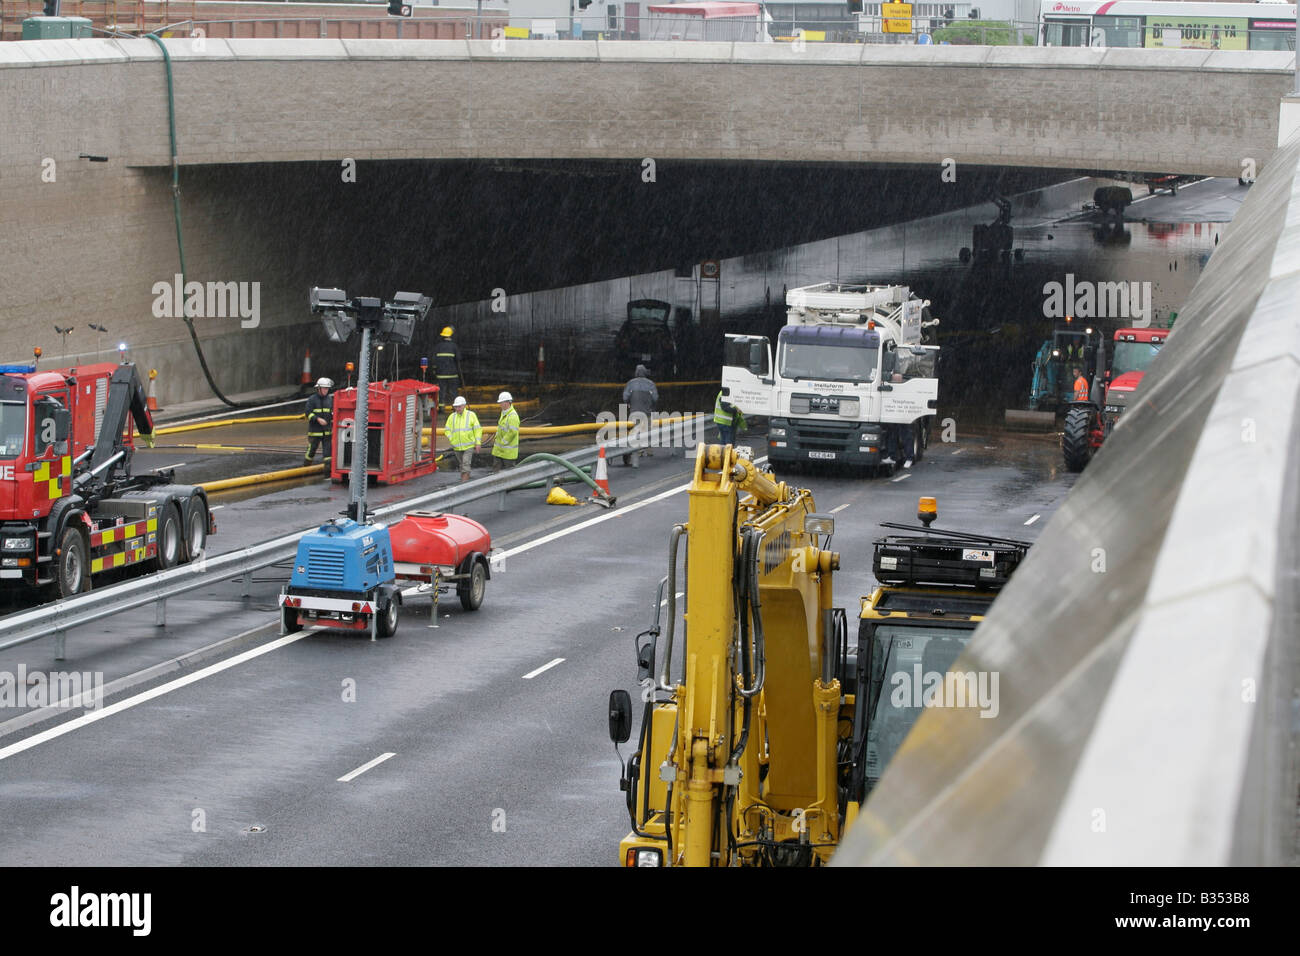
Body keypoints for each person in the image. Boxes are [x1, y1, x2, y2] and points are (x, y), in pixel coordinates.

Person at [622, 364, 659, 467]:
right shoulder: (651, 384)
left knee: (635, 432)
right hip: (647, 412)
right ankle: (649, 450)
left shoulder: (630, 383)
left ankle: (638, 450)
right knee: (647, 431)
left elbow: (625, 397)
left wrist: (630, 403)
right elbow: (655, 398)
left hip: (634, 412)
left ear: (636, 373)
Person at [445, 395, 482, 483]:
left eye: (459, 406)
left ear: (464, 406)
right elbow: (447, 430)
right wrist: (452, 439)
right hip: (457, 447)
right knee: (462, 465)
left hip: (468, 446)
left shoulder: (471, 415)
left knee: (465, 464)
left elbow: (477, 429)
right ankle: (465, 481)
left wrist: (478, 443)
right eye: (456, 407)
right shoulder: (452, 417)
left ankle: (464, 484)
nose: (457, 408)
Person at [304, 377, 334, 468]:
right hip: (315, 431)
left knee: (328, 455)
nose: (326, 390)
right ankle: (306, 468)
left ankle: (327, 474)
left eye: (327, 388)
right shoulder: (312, 399)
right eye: (324, 388)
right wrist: (317, 419)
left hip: (327, 432)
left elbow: (332, 413)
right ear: (318, 388)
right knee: (311, 451)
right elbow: (308, 413)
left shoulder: (329, 399)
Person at [435, 327, 462, 411]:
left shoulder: (438, 346)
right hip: (452, 374)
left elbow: (434, 359)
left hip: (441, 374)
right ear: (451, 336)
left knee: (441, 391)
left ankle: (441, 407)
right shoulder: (454, 346)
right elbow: (458, 358)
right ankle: (455, 407)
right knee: (453, 391)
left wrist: (435, 370)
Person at [492, 391, 520, 472]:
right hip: (499, 451)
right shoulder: (504, 413)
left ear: (508, 402)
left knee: (510, 473)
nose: (500, 404)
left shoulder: (513, 416)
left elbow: (513, 432)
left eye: (501, 402)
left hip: (508, 452)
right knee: (496, 471)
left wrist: (503, 442)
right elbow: (501, 429)